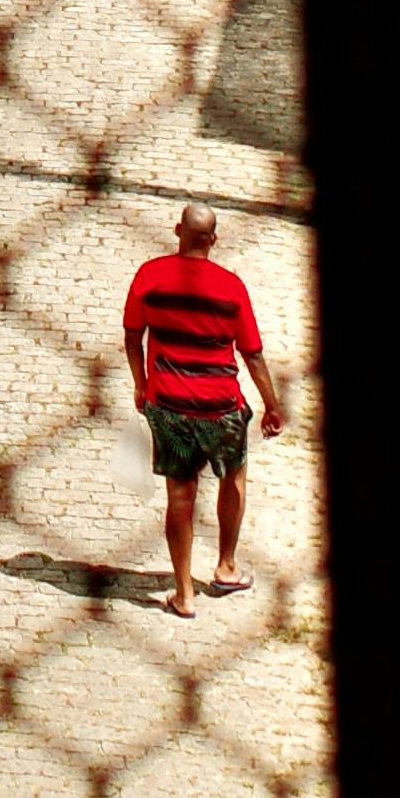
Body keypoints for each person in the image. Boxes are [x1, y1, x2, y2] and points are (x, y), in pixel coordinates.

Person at [124, 198, 282, 612]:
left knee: (180, 496)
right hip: (222, 408)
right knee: (233, 479)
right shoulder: (231, 287)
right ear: (213, 239)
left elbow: (132, 336)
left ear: (178, 232)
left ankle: (184, 592)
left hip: (170, 406)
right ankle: (226, 566)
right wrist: (272, 405)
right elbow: (252, 354)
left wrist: (141, 385)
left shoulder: (149, 276)